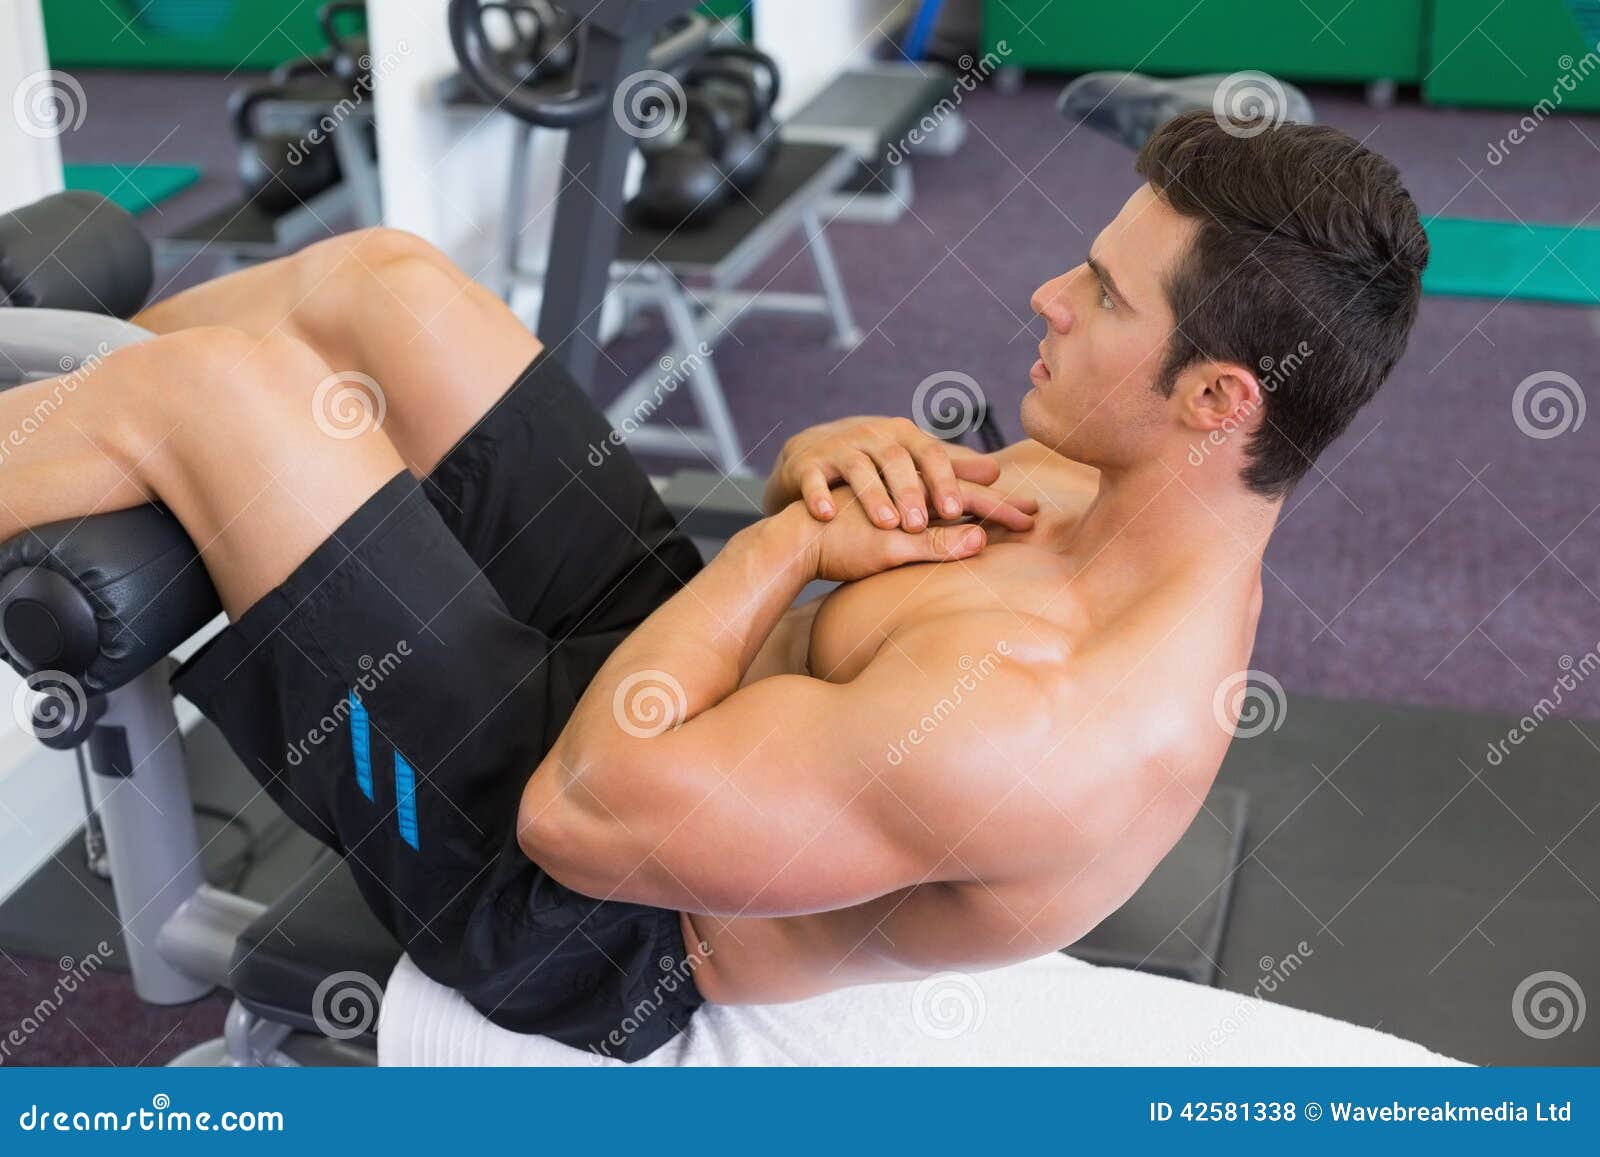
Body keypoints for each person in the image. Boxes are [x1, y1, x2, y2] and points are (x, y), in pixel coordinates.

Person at [0, 110, 1427, 1060]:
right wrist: (824, 466)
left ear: (1221, 395)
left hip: (577, 902)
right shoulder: (1107, 486)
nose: (1049, 294)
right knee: (383, 283)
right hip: (658, 669)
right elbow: (823, 520)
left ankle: (83, 414)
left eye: (1107, 294)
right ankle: (45, 387)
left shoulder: (1046, 726)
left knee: (222, 402)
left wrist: (779, 550)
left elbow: (573, 816)